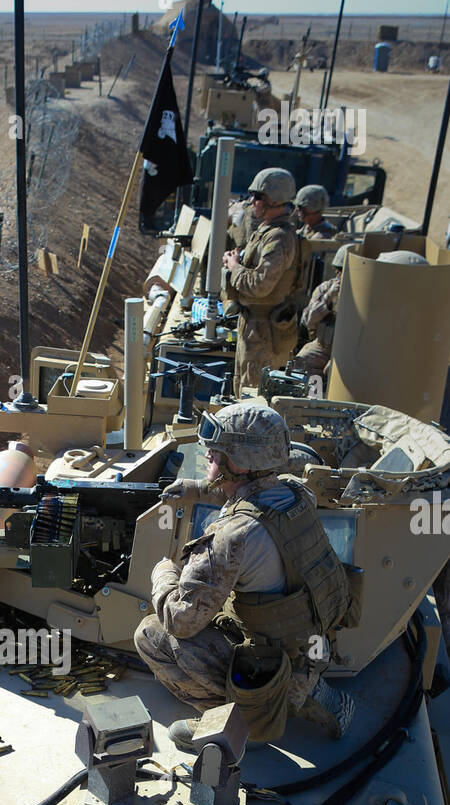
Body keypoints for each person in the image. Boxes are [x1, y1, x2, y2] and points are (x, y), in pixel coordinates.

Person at [134, 402, 354, 749]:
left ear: (237, 462)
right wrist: (197, 488)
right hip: (314, 647)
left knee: (151, 634)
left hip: (271, 670)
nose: (207, 456)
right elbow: (254, 493)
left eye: (215, 452)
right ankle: (305, 690)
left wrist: (163, 573)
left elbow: (181, 621)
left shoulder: (233, 537)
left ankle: (239, 724)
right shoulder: (298, 492)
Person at [222, 169, 301, 395]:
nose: (252, 202)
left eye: (257, 197)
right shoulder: (267, 231)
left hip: (263, 332)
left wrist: (234, 266)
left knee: (252, 398)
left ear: (273, 201)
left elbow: (260, 285)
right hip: (253, 327)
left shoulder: (278, 237)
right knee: (242, 390)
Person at [294, 241, 353, 379]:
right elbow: (308, 321)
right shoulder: (325, 288)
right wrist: (328, 298)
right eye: (339, 271)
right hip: (323, 346)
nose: (340, 275)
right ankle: (310, 399)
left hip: (349, 351)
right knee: (300, 362)